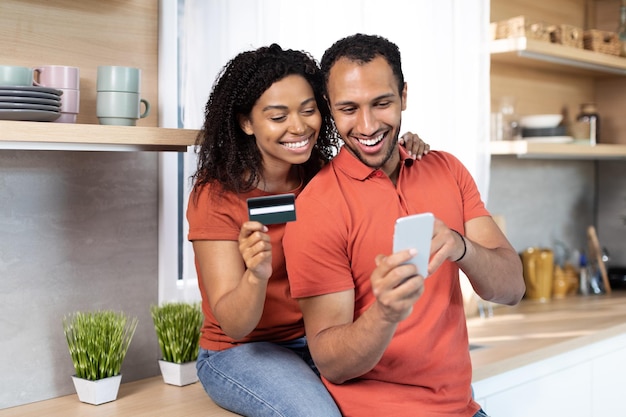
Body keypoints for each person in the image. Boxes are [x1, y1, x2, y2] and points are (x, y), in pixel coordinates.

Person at [283, 34, 526, 417]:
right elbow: (331, 361)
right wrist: (386, 312)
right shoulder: (316, 207)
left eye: (381, 103)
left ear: (404, 96)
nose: (366, 125)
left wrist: (460, 245)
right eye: (348, 108)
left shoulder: (447, 170)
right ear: (330, 108)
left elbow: (512, 288)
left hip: (463, 409)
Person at [186, 43, 430, 417]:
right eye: (277, 116)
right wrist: (256, 275)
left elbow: (378, 161)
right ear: (246, 122)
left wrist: (404, 148)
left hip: (318, 342)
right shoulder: (217, 195)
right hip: (241, 352)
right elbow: (234, 326)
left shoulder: (322, 175)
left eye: (308, 110)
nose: (298, 127)